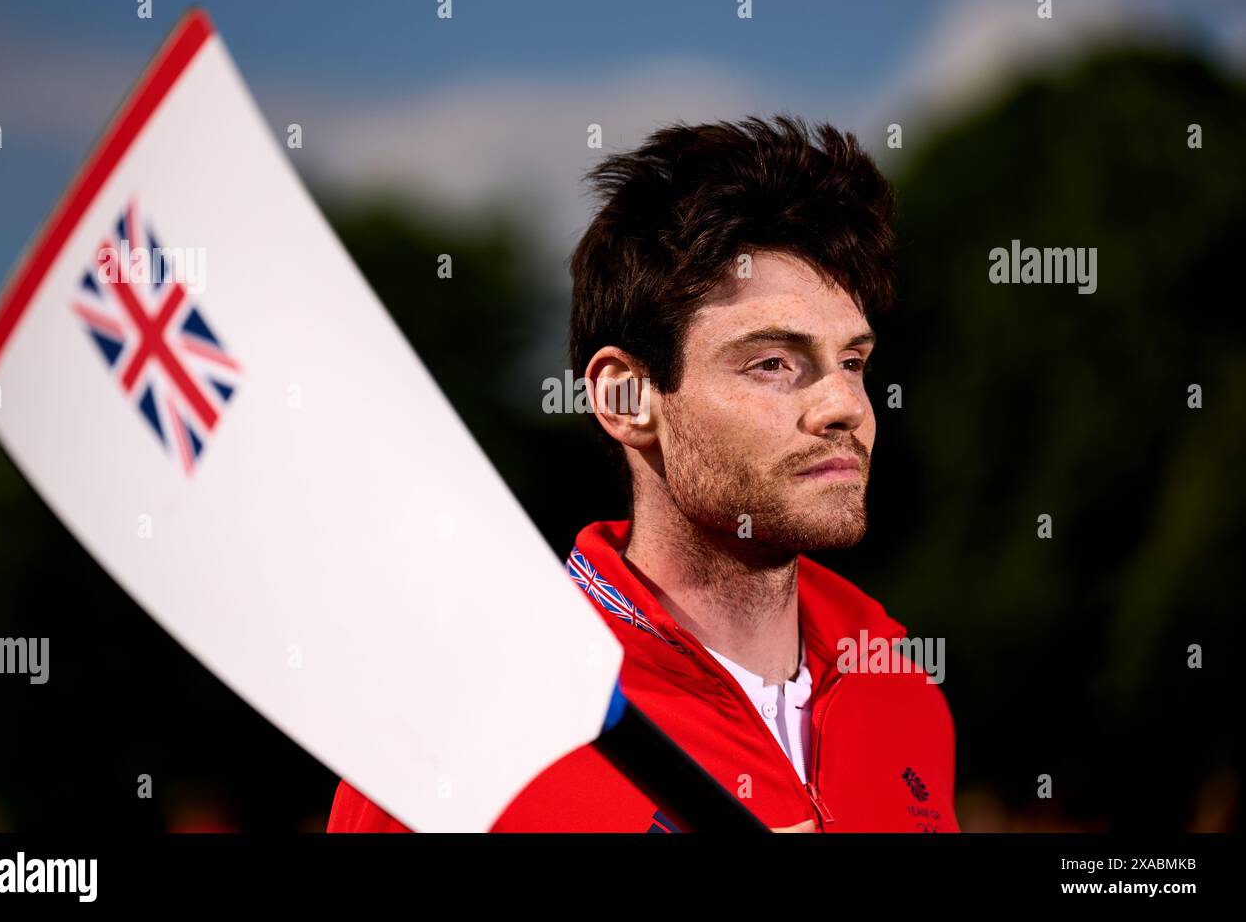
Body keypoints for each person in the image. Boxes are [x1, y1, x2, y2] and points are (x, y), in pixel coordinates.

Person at [329, 114, 959, 832]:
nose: (845, 405)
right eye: (773, 364)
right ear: (626, 399)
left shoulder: (902, 686)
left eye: (852, 362)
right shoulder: (457, 722)